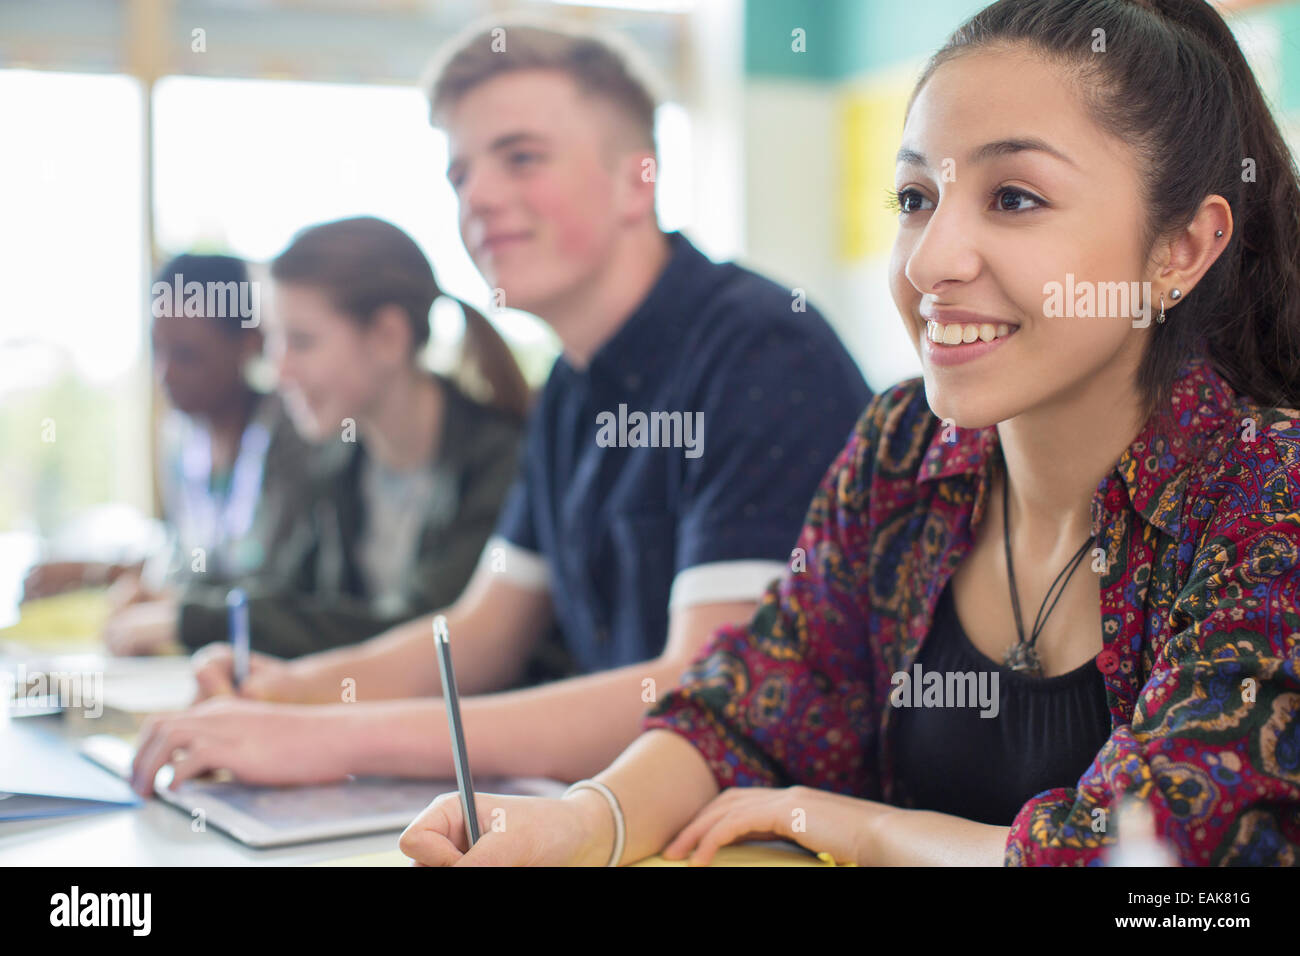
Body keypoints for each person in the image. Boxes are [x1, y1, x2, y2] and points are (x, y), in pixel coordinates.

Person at [398, 0, 1300, 867]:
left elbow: (1162, 871)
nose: (931, 260)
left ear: (1179, 249)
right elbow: (748, 706)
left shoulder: (1266, 490)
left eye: (1015, 197)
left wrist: (858, 830)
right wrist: (582, 824)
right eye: (915, 197)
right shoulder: (906, 449)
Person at [128, 22, 871, 794]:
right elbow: (482, 633)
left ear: (636, 180)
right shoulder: (570, 388)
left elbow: (705, 694)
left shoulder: (759, 352)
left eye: (521, 157)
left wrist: (329, 737)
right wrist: (293, 688)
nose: (477, 195)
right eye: (460, 174)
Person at [106, 216, 530, 661]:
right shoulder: (339, 462)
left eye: (302, 342)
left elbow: (418, 635)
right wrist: (179, 603)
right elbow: (294, 598)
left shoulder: (500, 463)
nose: (279, 370)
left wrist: (194, 620)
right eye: (275, 342)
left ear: (387, 336)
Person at [23, 253, 315, 654]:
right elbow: (192, 567)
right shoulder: (181, 443)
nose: (166, 373)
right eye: (158, 351)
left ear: (250, 343)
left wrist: (180, 610)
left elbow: (283, 591)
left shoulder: (299, 438)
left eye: (188, 355)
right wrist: (107, 576)